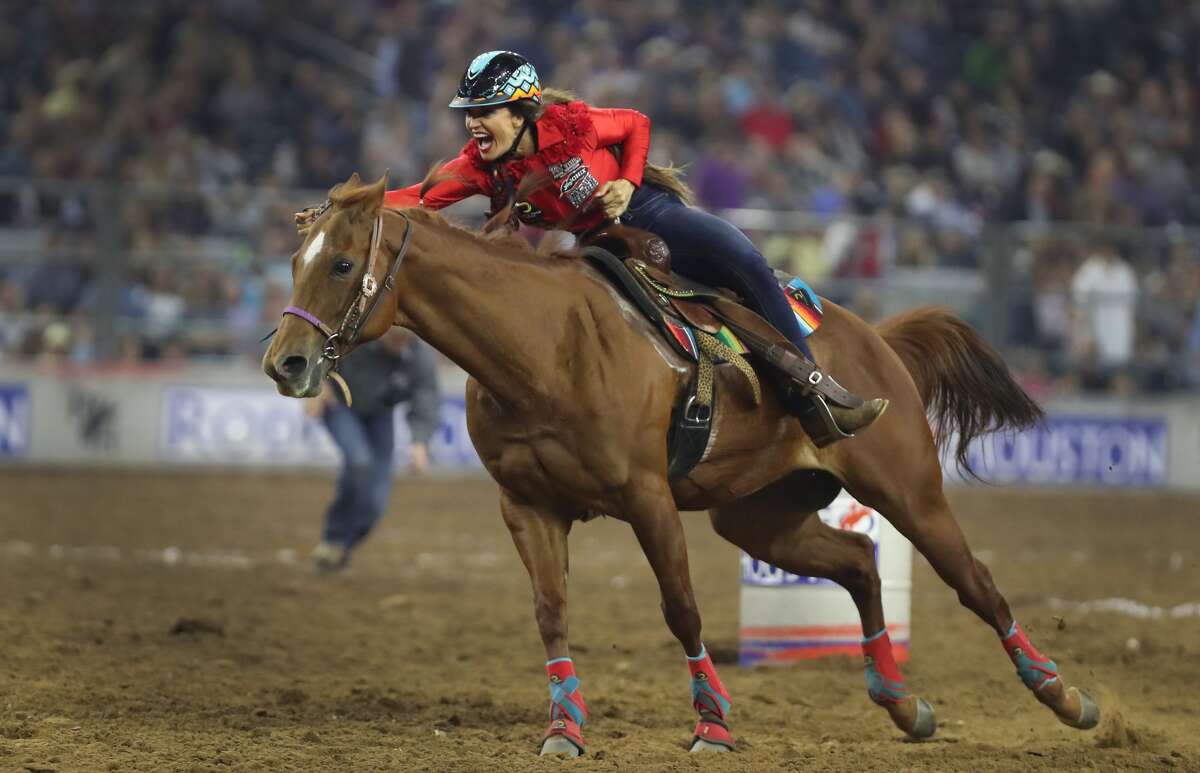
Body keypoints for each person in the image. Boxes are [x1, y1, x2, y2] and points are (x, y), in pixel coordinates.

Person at [381, 51, 885, 439]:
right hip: (593, 246)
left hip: (651, 215)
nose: (471, 122)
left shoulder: (572, 125)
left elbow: (635, 124)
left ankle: (815, 389)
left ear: (521, 112)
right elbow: (416, 199)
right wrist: (356, 207)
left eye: (484, 110)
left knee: (743, 258)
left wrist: (627, 179)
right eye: (469, 111)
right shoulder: (481, 165)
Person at [305, 327, 440, 573]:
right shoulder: (356, 337)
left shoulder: (420, 356)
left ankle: (340, 550)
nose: (398, 342)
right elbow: (319, 346)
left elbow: (425, 398)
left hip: (380, 417)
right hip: (339, 405)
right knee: (359, 462)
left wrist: (420, 442)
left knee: (376, 504)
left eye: (404, 337)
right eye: (393, 336)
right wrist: (317, 383)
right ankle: (333, 538)